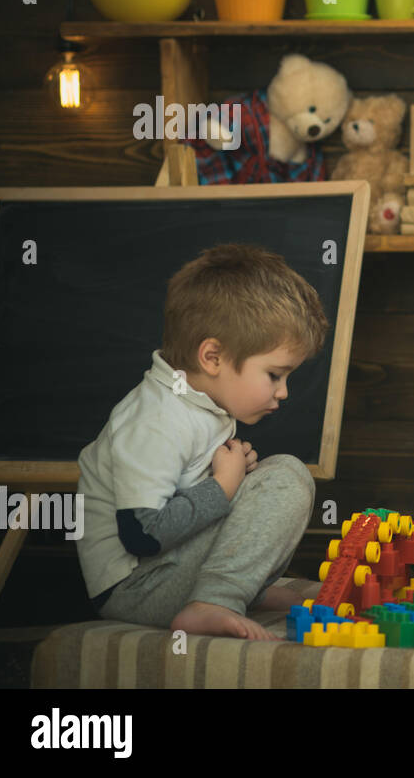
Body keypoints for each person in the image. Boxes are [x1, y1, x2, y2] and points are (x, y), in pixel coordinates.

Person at [75, 243, 326, 640]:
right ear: (213, 357)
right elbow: (143, 534)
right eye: (275, 375)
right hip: (137, 589)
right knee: (286, 477)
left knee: (278, 476)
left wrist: (232, 480)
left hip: (165, 572)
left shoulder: (198, 403)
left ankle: (239, 588)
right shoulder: (156, 419)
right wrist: (224, 486)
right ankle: (215, 599)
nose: (283, 392)